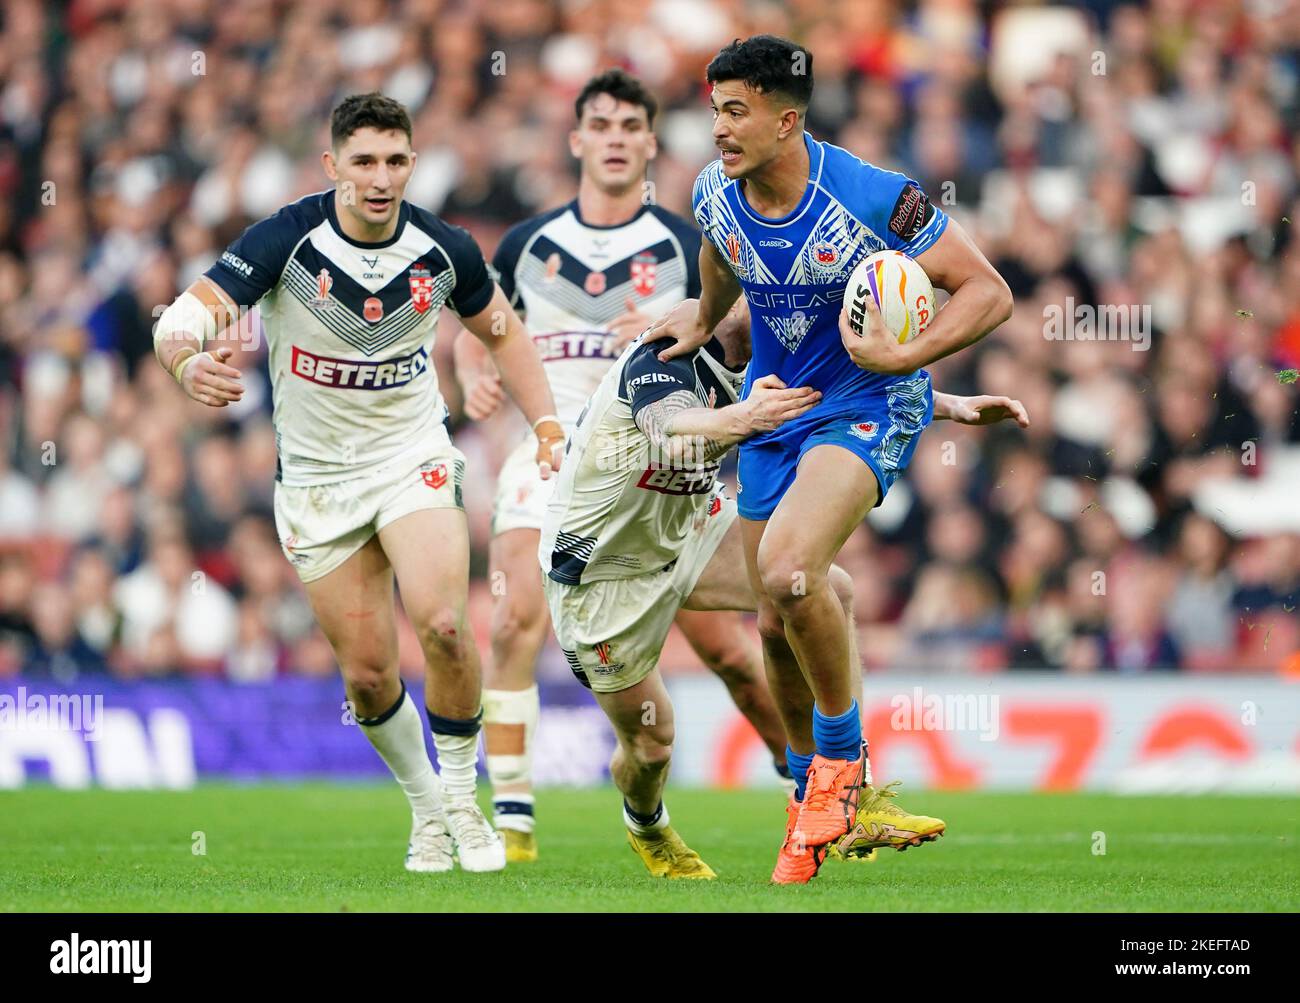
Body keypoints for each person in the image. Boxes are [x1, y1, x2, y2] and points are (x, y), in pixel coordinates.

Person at [151, 92, 564, 875]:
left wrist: (544, 421)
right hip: (315, 481)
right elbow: (184, 316)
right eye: (365, 161)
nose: (381, 178)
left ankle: (461, 802)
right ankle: (426, 808)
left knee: (443, 624)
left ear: (414, 163)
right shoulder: (284, 238)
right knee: (370, 673)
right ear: (332, 164)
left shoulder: (443, 248)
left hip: (412, 455)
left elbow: (502, 331)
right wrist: (185, 358)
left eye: (396, 160)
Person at [645, 36, 1016, 882]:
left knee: (785, 570)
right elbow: (718, 251)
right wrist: (704, 319)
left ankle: (841, 776)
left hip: (867, 402)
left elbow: (989, 291)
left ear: (786, 120)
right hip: (777, 408)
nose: (720, 130)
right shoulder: (714, 192)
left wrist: (899, 360)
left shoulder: (875, 197)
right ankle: (823, 799)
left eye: (736, 113)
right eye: (715, 112)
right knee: (778, 621)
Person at [546, 302, 1027, 879]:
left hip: (688, 529)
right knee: (651, 745)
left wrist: (947, 408)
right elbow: (670, 430)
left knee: (825, 589)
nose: (783, 302)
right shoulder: (666, 353)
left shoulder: (772, 351)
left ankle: (849, 789)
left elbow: (837, 399)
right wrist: (746, 417)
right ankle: (646, 824)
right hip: (603, 569)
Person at [454, 69, 789, 863]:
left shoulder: (685, 242)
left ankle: (804, 781)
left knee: (734, 655)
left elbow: (734, 322)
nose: (612, 138)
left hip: (663, 462)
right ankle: (514, 820)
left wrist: (688, 319)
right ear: (576, 141)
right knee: (513, 616)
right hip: (552, 453)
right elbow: (482, 321)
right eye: (598, 125)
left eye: (628, 126)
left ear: (649, 142)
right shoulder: (528, 242)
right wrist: (472, 367)